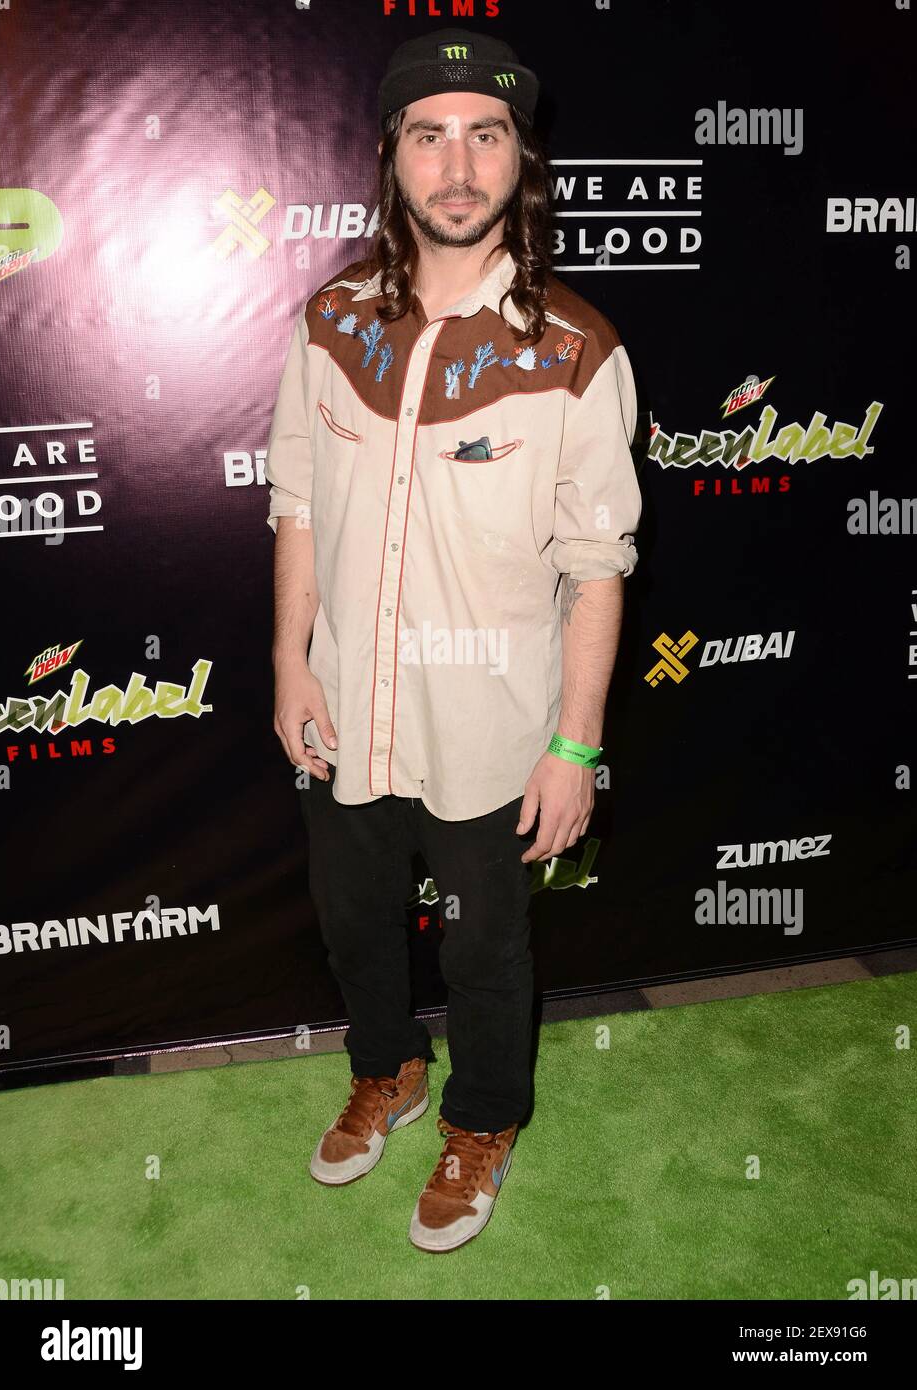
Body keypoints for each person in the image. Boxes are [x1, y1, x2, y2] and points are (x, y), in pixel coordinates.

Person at [265, 26, 642, 1253]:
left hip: (490, 724)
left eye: (485, 135)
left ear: (518, 161)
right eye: (430, 134)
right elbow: (301, 506)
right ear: (393, 159)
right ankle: (387, 1069)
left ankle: (482, 1120)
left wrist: (572, 750)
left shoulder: (577, 349)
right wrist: (285, 661)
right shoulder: (326, 321)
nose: (457, 162)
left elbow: (595, 566)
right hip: (345, 706)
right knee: (354, 925)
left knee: (485, 954)